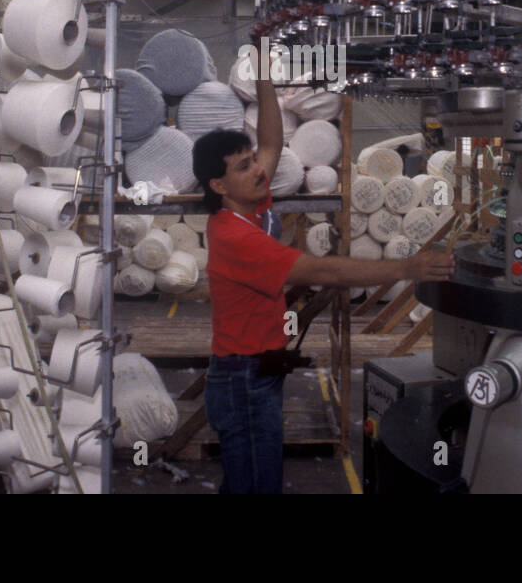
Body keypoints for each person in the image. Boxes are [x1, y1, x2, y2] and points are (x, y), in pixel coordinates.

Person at [192, 59, 454, 494]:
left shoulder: (247, 207)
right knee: (255, 485)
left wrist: (264, 76)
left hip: (256, 371)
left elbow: (273, 142)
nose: (259, 169)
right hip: (242, 380)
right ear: (218, 186)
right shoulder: (234, 235)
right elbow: (323, 269)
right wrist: (406, 269)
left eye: (252, 160)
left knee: (252, 479)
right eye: (243, 167)